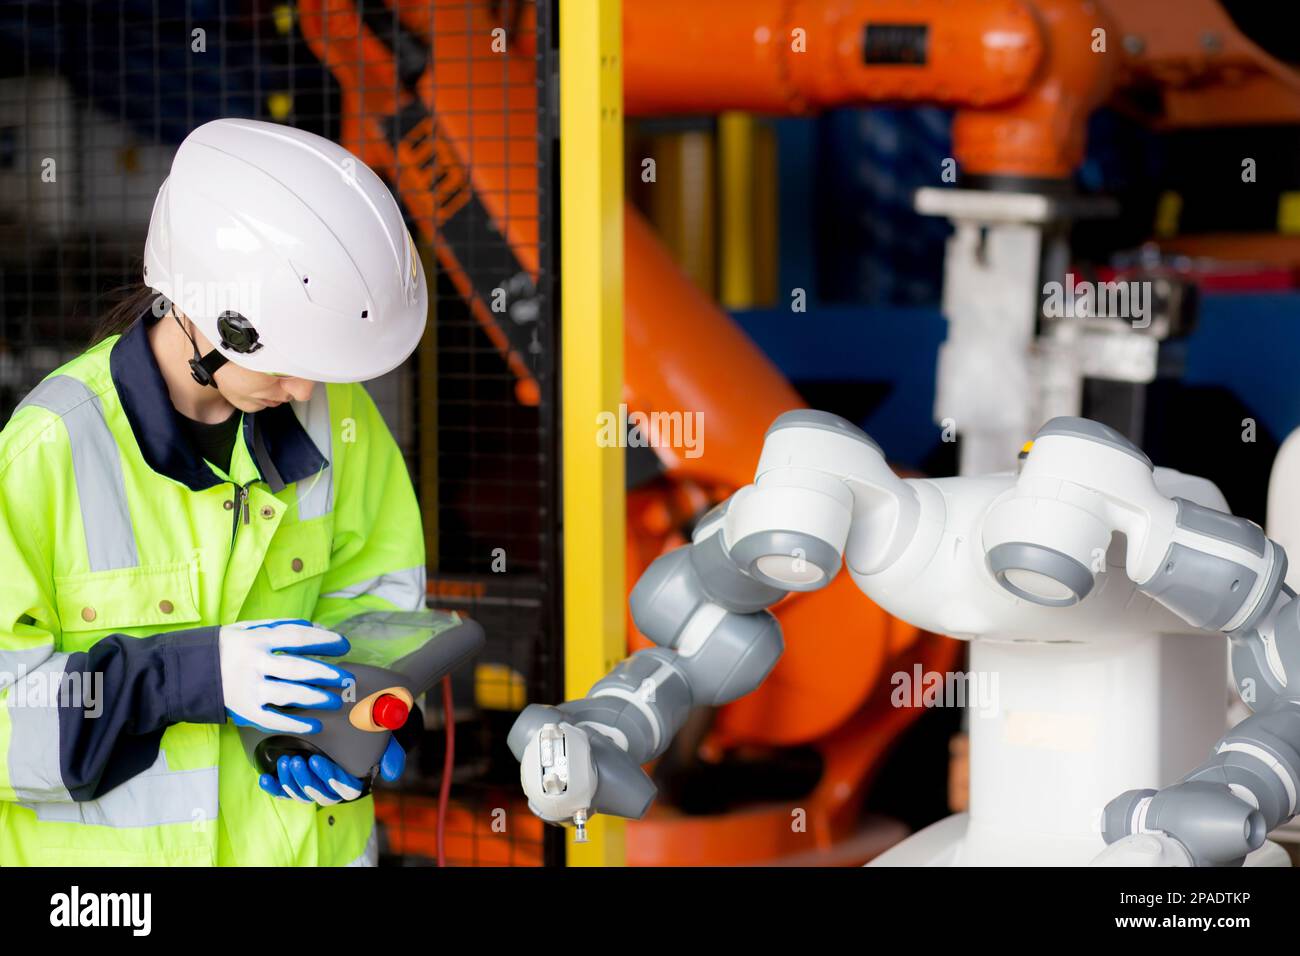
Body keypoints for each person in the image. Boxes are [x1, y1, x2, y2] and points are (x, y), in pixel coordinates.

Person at [0, 117, 429, 866]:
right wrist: (183, 678)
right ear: (202, 319)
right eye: (288, 360)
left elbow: (382, 610)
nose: (305, 387)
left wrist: (356, 718)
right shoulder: (49, 450)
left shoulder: (338, 420)